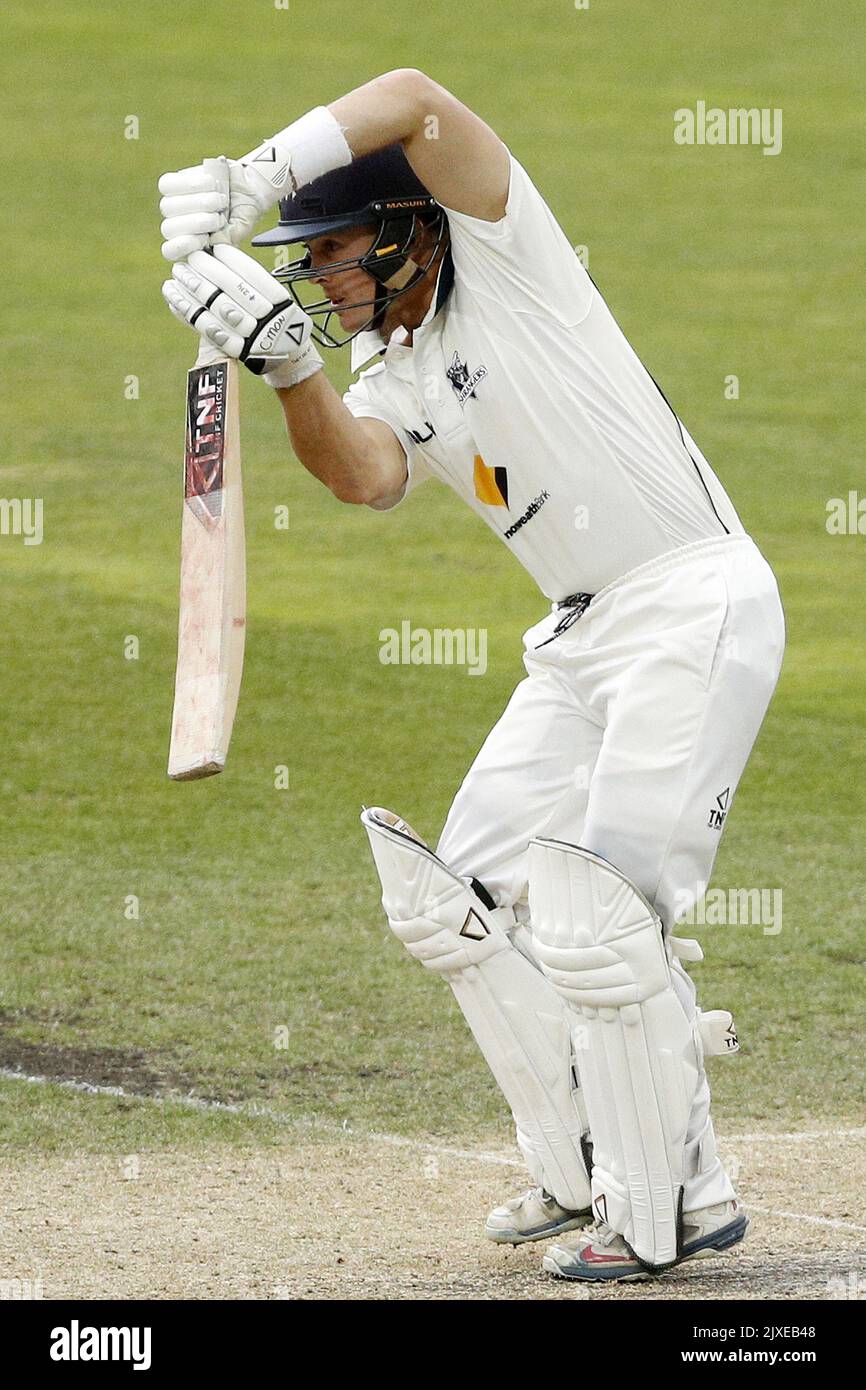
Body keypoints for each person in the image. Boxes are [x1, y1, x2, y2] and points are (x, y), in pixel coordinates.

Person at [158, 69, 785, 1282]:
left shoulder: (506, 252)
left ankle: (674, 1205)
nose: (324, 277)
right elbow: (364, 476)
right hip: (583, 632)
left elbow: (411, 96)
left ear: (408, 230)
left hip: (691, 603)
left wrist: (250, 180)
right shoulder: (392, 363)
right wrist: (286, 366)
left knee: (600, 921)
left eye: (335, 251)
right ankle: (571, 1165)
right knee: (453, 898)